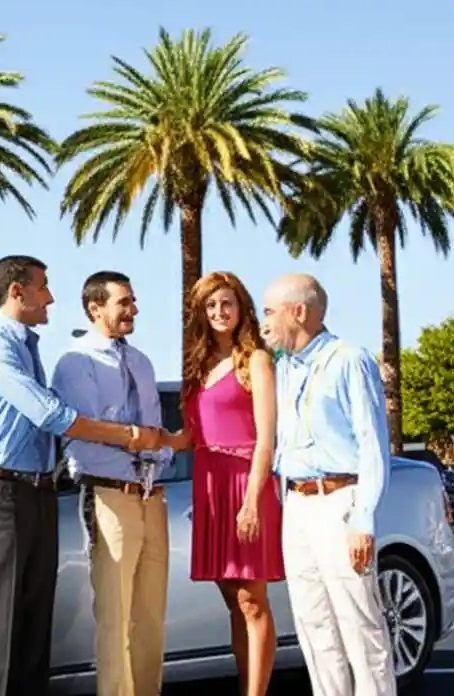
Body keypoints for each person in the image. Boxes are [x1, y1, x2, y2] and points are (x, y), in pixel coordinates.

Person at [0, 255, 167, 696]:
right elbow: (51, 414)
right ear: (17, 291)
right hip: (1, 493)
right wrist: (130, 435)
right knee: (2, 627)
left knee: (35, 621)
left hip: (37, 491)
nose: (51, 297)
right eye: (43, 287)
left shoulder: (27, 345)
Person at [261, 273, 397, 696]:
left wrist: (363, 519)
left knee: (359, 625)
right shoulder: (282, 367)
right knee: (314, 624)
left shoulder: (348, 359)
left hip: (339, 502)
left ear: (298, 312)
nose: (263, 321)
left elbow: (374, 444)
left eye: (269, 311)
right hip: (297, 506)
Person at [50, 270, 184, 696]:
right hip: (108, 496)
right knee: (115, 618)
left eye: (133, 300)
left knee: (149, 619)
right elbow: (87, 433)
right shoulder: (76, 363)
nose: (133, 309)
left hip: (151, 497)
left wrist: (153, 451)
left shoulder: (141, 362)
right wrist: (139, 443)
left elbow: (156, 432)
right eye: (123, 302)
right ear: (96, 308)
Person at [175, 271, 283, 696]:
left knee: (253, 601)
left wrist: (253, 501)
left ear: (242, 308)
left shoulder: (256, 360)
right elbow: (190, 436)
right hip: (210, 488)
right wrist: (141, 440)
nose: (220, 312)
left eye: (227, 303)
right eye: (211, 306)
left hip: (246, 486)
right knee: (234, 604)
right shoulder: (197, 366)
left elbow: (266, 438)